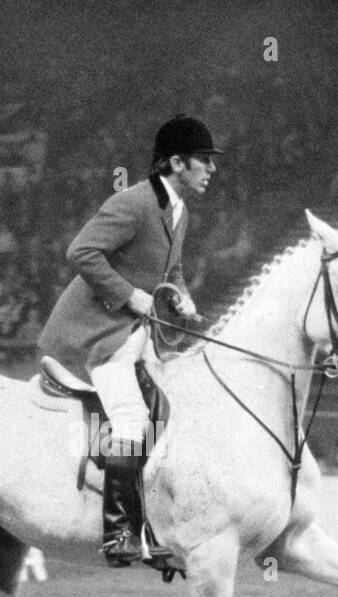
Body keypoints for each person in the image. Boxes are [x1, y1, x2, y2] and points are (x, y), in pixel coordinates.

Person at [36, 114, 221, 567]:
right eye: (203, 161)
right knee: (131, 419)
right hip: (92, 336)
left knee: (168, 413)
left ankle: (148, 527)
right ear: (176, 163)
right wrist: (127, 294)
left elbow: (169, 269)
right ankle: (118, 530)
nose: (211, 169)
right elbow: (80, 251)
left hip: (133, 336)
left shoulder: (179, 211)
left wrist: (181, 295)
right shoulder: (133, 202)